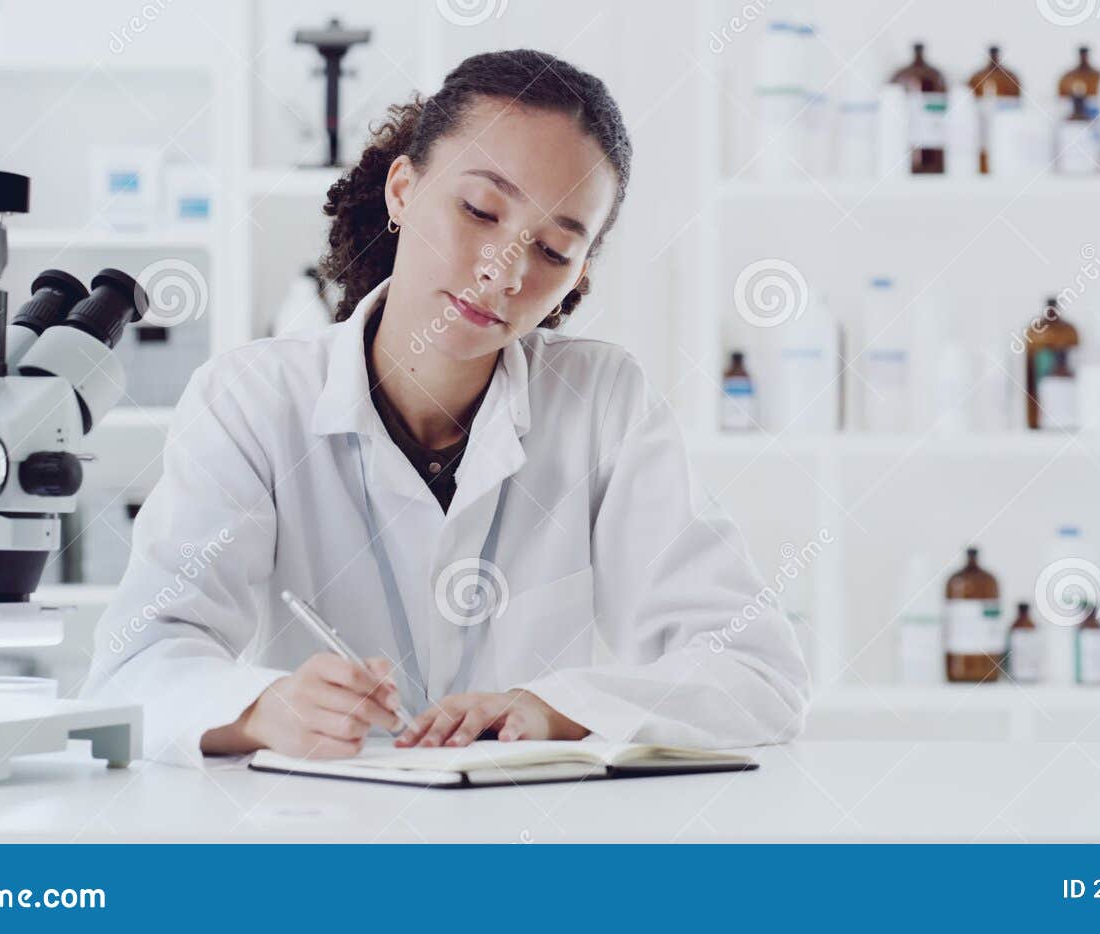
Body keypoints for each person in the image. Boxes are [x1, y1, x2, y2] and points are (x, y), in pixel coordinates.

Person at [83, 49, 809, 766]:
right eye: (480, 210)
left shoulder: (602, 404)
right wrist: (260, 710)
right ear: (403, 190)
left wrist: (555, 709)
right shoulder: (251, 401)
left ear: (577, 276)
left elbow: (758, 675)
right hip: (321, 830)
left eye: (554, 251)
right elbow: (134, 668)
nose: (505, 269)